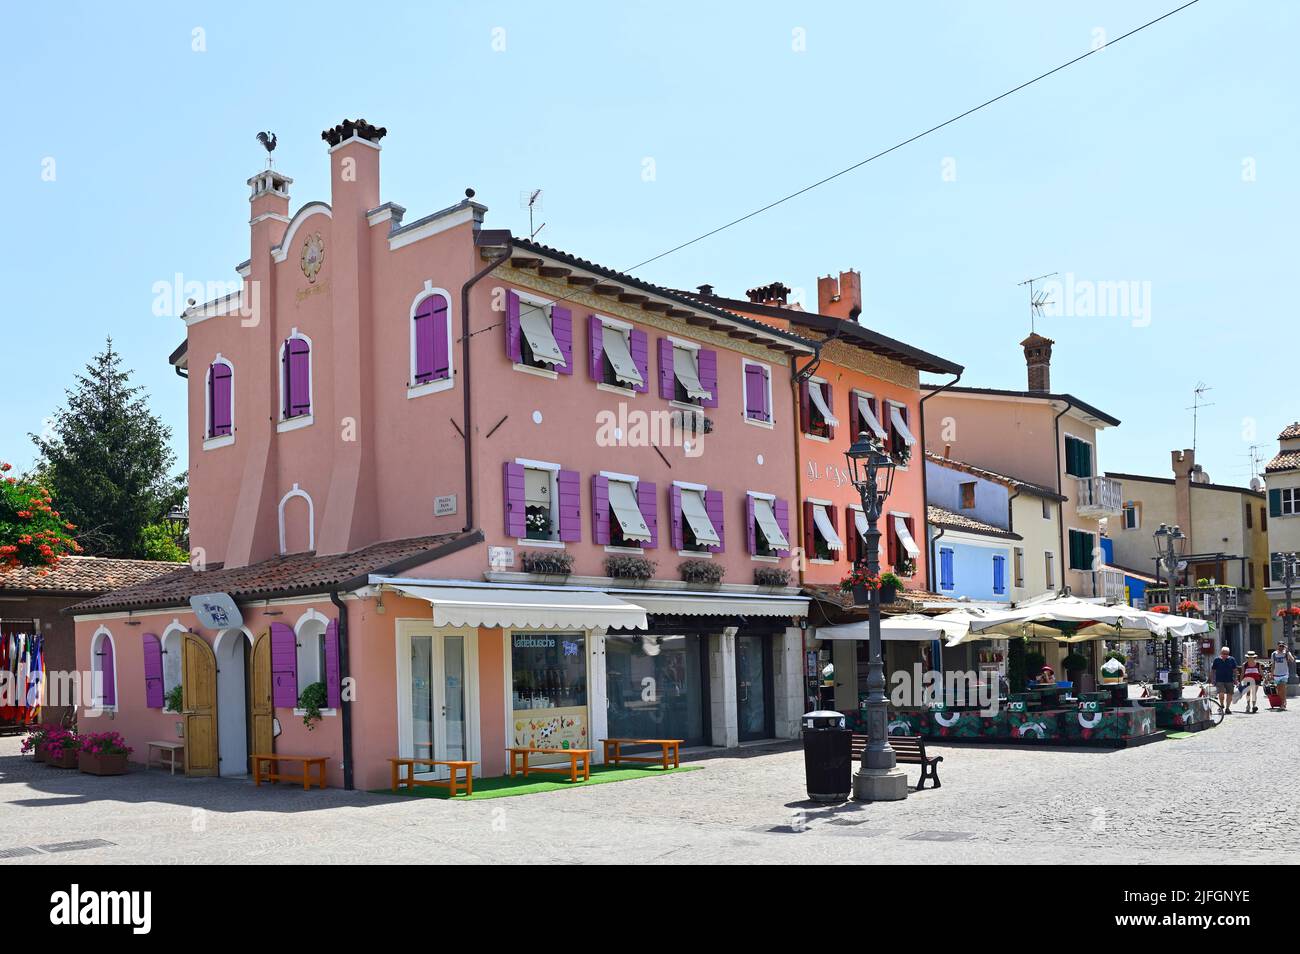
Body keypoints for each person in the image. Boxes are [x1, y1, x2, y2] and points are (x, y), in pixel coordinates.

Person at [1210, 647, 1238, 714]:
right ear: (1221, 653)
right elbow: (1213, 670)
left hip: (1229, 680)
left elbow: (1235, 670)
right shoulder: (1216, 660)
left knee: (1230, 694)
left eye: (1226, 654)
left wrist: (1235, 679)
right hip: (1219, 680)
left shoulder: (1232, 659)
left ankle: (1227, 708)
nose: (1225, 655)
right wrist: (1212, 679)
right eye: (1223, 653)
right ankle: (1222, 705)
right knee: (1221, 693)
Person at [1271, 642, 1296, 711]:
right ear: (1277, 646)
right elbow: (1273, 664)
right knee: (1279, 691)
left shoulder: (1286, 653)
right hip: (1276, 674)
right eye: (1280, 646)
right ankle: (1284, 701)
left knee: (1283, 688)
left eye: (1282, 646)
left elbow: (1292, 660)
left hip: (1284, 673)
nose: (1281, 647)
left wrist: (1287, 651)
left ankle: (1283, 704)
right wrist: (1271, 674)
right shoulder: (1274, 654)